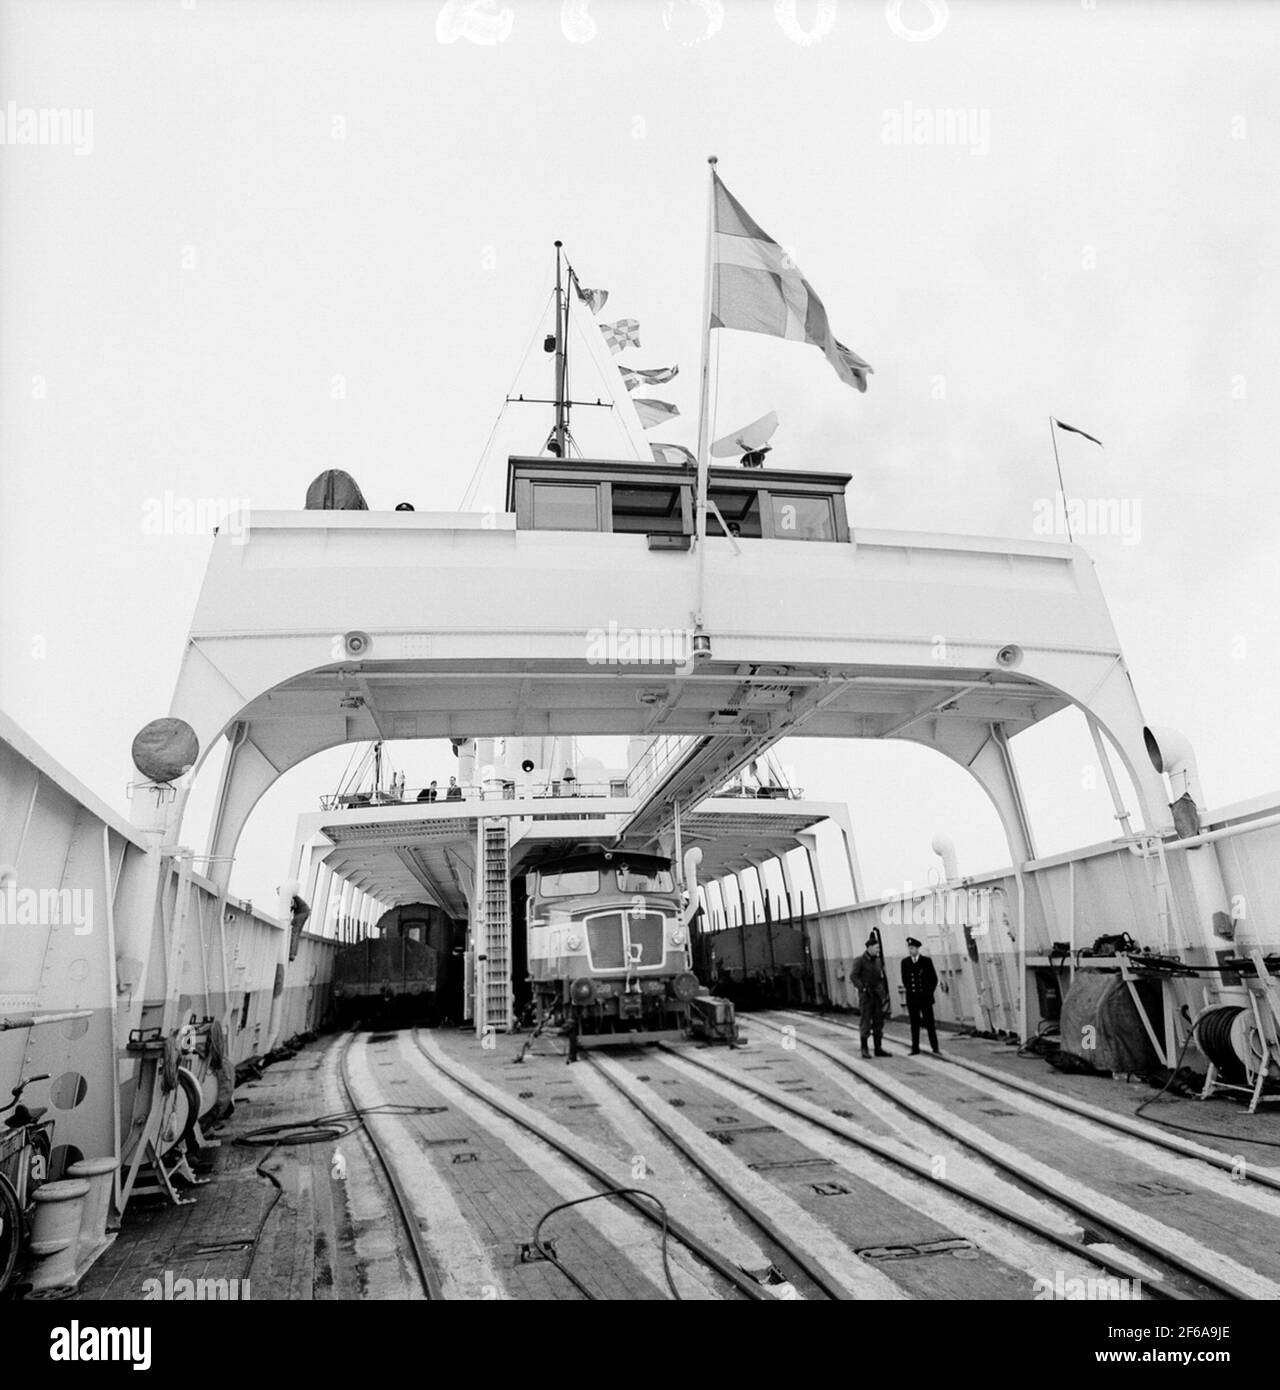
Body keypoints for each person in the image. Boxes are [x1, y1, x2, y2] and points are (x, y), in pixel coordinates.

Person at [849, 936, 890, 1058]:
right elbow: (853, 976)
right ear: (869, 947)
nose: (878, 950)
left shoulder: (878, 960)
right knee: (865, 1021)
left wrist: (882, 989)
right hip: (866, 996)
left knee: (878, 1022)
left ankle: (878, 1048)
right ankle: (864, 1049)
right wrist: (862, 988)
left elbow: (881, 976)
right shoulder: (860, 960)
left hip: (877, 995)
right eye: (876, 947)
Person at [901, 936, 940, 1055]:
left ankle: (935, 1047)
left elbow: (933, 979)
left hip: (925, 998)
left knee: (930, 1023)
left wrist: (928, 993)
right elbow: (905, 980)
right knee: (914, 1024)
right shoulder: (905, 962)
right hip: (912, 999)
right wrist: (912, 992)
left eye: (912, 948)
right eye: (909, 948)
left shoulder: (926, 961)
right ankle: (915, 1048)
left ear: (917, 949)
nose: (910, 951)